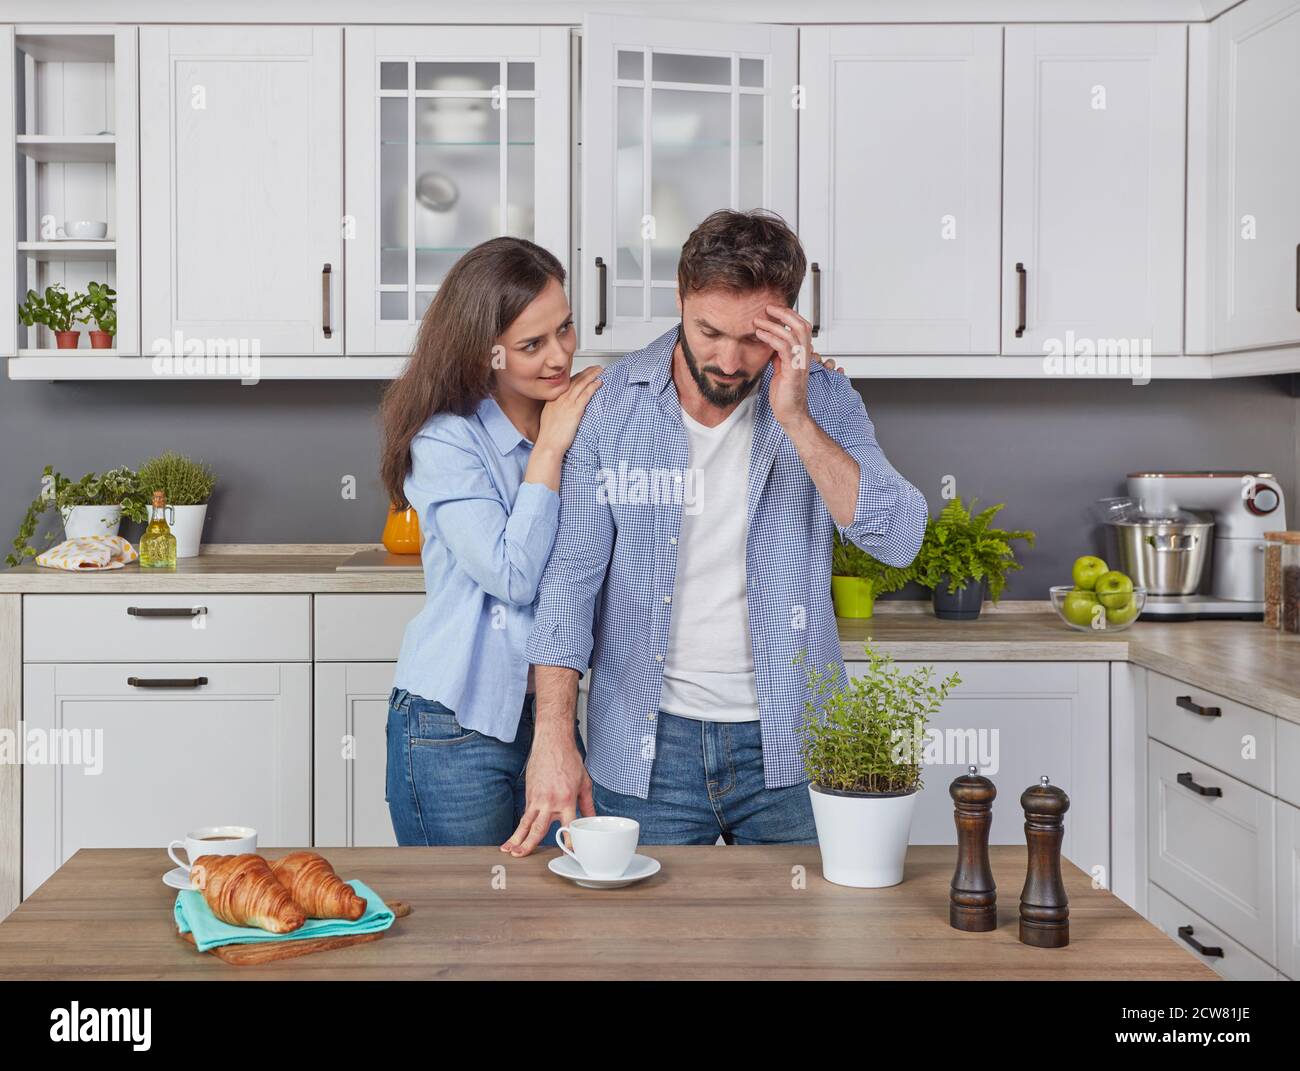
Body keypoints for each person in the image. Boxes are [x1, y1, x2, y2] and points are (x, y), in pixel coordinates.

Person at [504, 209, 927, 854]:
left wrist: (798, 419)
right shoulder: (611, 405)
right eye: (709, 332)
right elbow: (569, 590)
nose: (729, 361)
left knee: (808, 946)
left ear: (790, 320)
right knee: (651, 950)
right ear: (679, 299)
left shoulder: (826, 401)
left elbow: (898, 539)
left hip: (795, 738)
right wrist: (554, 740)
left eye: (754, 339)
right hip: (646, 747)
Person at [378, 237, 600, 846]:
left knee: (554, 926)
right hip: (452, 726)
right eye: (532, 345)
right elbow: (512, 575)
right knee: (465, 927)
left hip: (552, 719)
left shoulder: (585, 415)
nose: (559, 357)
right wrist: (550, 449)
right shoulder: (446, 441)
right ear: (487, 354)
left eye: (566, 329)